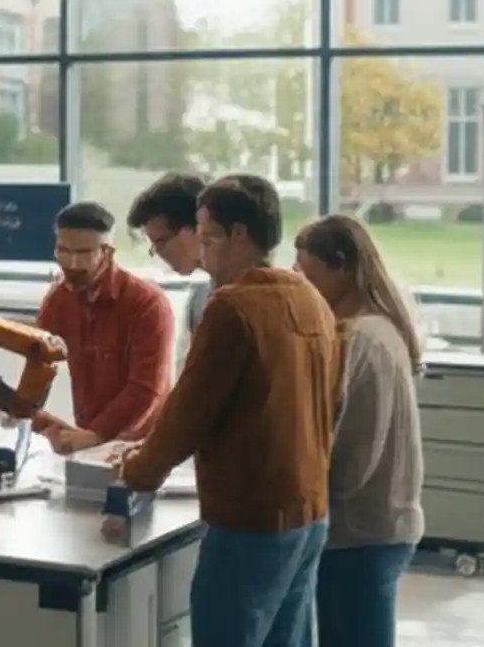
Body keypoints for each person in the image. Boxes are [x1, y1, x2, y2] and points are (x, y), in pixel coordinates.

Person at [119, 175, 342, 647]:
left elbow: (187, 414)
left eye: (207, 238)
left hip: (252, 519)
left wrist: (137, 471)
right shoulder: (311, 299)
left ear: (240, 235)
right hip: (311, 511)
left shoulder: (233, 308)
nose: (202, 252)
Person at [294, 215, 424, 647]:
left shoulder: (355, 338)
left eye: (310, 277)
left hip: (356, 532)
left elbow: (350, 453)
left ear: (342, 268)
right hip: (384, 525)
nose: (305, 290)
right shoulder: (382, 326)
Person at [34, 201, 175, 455]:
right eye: (63, 251)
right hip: (91, 442)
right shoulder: (58, 299)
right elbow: (35, 361)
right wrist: (35, 419)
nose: (72, 264)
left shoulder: (148, 303)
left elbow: (145, 390)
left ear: (108, 252)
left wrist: (94, 435)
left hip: (149, 447)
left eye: (84, 253)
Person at [126, 172, 211, 363]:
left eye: (162, 241)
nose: (158, 252)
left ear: (197, 228)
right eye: (153, 245)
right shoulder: (201, 295)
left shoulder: (224, 298)